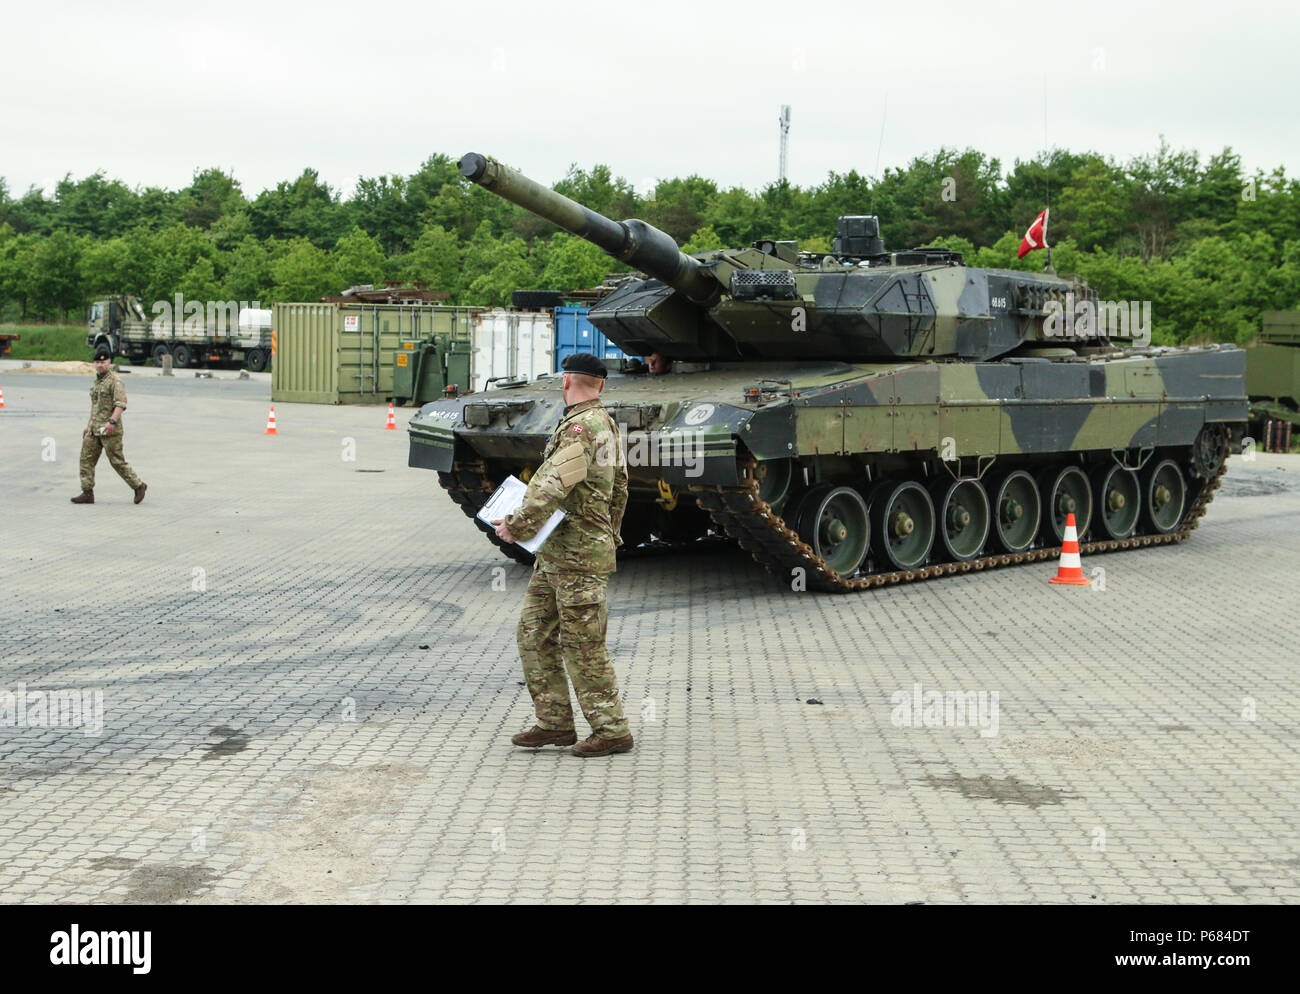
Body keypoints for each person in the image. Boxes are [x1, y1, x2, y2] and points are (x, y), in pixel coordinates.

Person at [491, 352, 633, 757]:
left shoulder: (583, 428)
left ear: (566, 382)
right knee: (534, 634)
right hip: (558, 555)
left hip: (576, 559)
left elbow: (551, 485)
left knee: (583, 644)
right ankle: (554, 722)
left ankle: (612, 731)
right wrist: (612, 534)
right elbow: (621, 488)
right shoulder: (602, 424)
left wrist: (515, 526)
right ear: (600, 385)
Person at [71, 348, 146, 505]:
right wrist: (88, 425)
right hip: (94, 428)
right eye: (97, 362)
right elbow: (95, 406)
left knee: (116, 461)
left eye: (103, 362)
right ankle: (87, 492)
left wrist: (112, 422)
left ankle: (138, 486)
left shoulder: (115, 381)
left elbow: (120, 404)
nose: (100, 366)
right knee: (86, 459)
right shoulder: (97, 381)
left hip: (110, 429)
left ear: (109, 363)